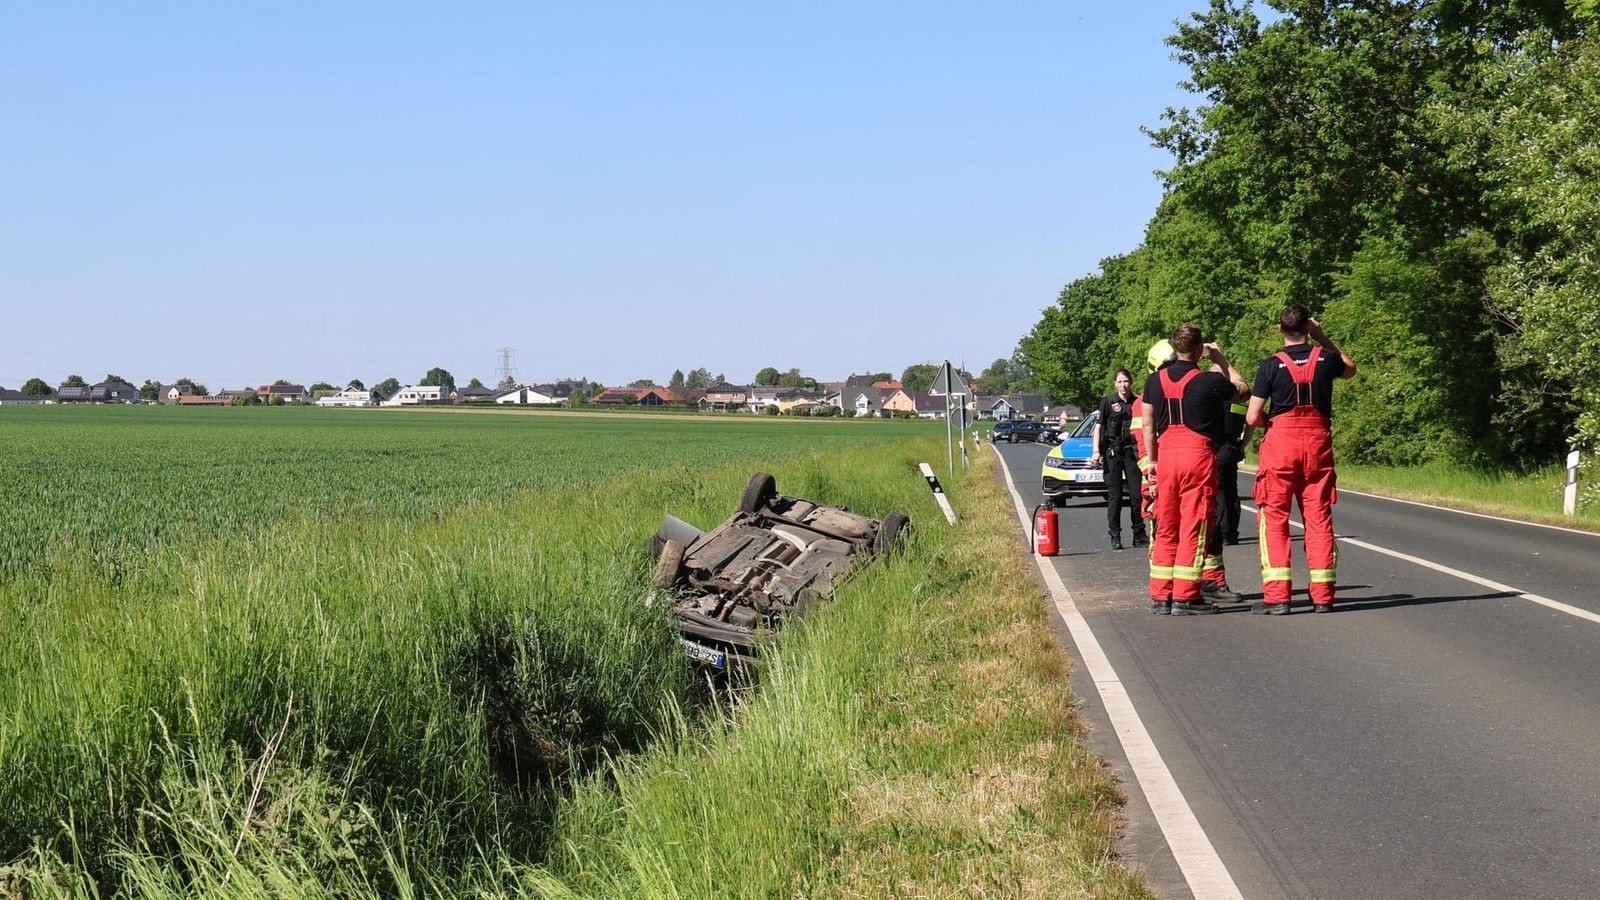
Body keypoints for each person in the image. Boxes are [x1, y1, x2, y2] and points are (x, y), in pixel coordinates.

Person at [1245, 305, 1356, 614]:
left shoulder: (1269, 366)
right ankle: (1323, 596)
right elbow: (1350, 368)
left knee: (1274, 519)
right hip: (1318, 445)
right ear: (1308, 327)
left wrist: (1271, 424)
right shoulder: (1326, 359)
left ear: (1280, 330)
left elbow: (1253, 415)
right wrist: (1322, 336)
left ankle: (1278, 597)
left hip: (1281, 445)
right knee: (1318, 518)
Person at [1141, 324, 1250, 616]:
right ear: (1199, 349)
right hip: (1196, 455)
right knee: (1193, 525)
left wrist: (1152, 460)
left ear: (1175, 347)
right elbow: (1242, 390)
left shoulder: (1154, 382)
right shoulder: (1207, 381)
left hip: (1166, 455)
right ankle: (1186, 597)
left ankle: (1161, 596)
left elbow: (1148, 427)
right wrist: (1222, 361)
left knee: (1166, 525)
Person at [1091, 369, 1147, 551]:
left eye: (1126, 381)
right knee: (1114, 497)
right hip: (1112, 453)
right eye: (1120, 382)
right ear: (1115, 384)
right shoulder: (1107, 402)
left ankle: (1139, 534)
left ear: (1131, 383)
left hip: (1132, 452)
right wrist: (1096, 451)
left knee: (1136, 496)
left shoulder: (1137, 402)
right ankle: (1115, 535)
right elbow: (1098, 428)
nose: (1124, 385)